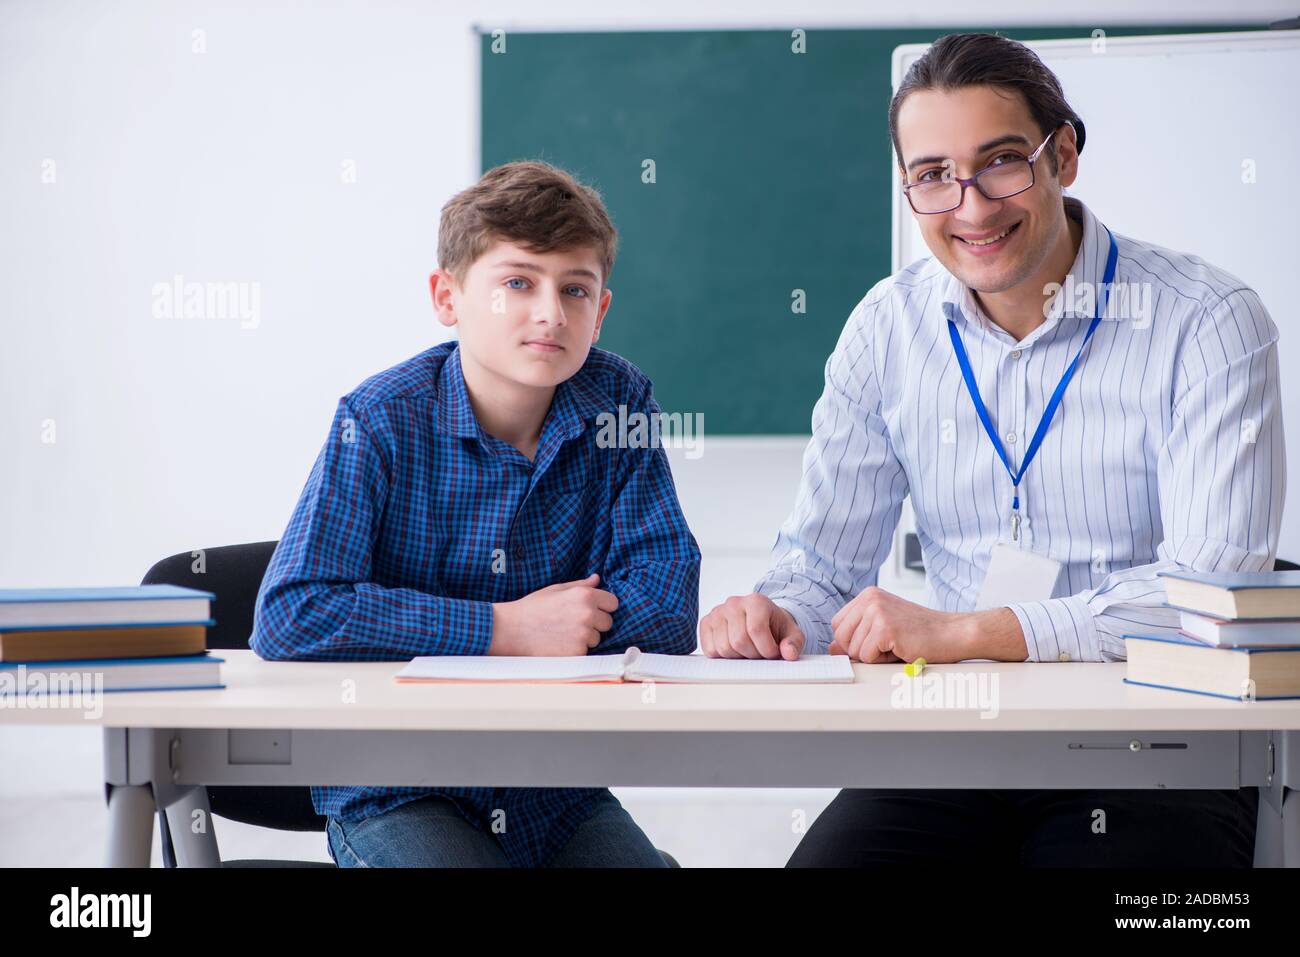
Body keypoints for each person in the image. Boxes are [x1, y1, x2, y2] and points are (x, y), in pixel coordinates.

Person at [699, 32, 1281, 867]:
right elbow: (822, 567)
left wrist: (977, 627)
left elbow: (1207, 596)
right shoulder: (887, 326)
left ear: (1064, 155)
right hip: (953, 739)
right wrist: (779, 613)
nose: (971, 207)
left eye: (1003, 161)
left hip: (1157, 751)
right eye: (933, 175)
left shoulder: (1210, 321)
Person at [251, 160, 701, 867]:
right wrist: (508, 628)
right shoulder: (378, 419)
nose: (550, 312)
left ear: (601, 309)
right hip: (399, 786)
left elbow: (669, 604)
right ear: (448, 296)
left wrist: (552, 631)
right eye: (518, 282)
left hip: (553, 786)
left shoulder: (622, 404)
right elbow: (293, 612)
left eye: (574, 288)